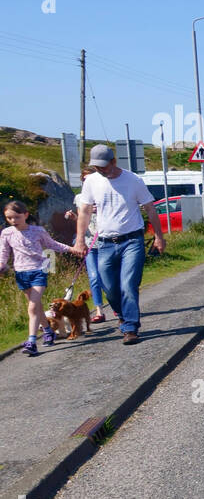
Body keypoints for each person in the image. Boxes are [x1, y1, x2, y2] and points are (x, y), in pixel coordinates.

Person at [70, 144, 164, 345]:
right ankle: (122, 315)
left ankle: (130, 327)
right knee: (109, 288)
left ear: (113, 162)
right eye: (96, 167)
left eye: (104, 166)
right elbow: (84, 212)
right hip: (104, 243)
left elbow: (150, 209)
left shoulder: (133, 180)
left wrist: (159, 237)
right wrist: (80, 240)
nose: (100, 170)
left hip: (132, 240)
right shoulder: (92, 182)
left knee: (129, 284)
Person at [1, 200, 79, 356]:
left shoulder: (38, 230)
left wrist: (72, 249)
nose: (13, 221)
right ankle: (48, 331)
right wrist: (1, 265)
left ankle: (31, 341)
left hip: (39, 270)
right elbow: (4, 253)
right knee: (36, 307)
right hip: (21, 273)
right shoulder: (7, 233)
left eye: (16, 217)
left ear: (25, 215)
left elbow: (52, 244)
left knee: (32, 307)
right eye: (9, 218)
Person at [64, 171, 109, 323]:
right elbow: (81, 219)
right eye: (84, 179)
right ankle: (99, 310)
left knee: (108, 277)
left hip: (107, 240)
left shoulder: (105, 193)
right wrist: (74, 218)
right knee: (94, 277)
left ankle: (116, 305)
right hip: (90, 242)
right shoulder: (80, 198)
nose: (87, 181)